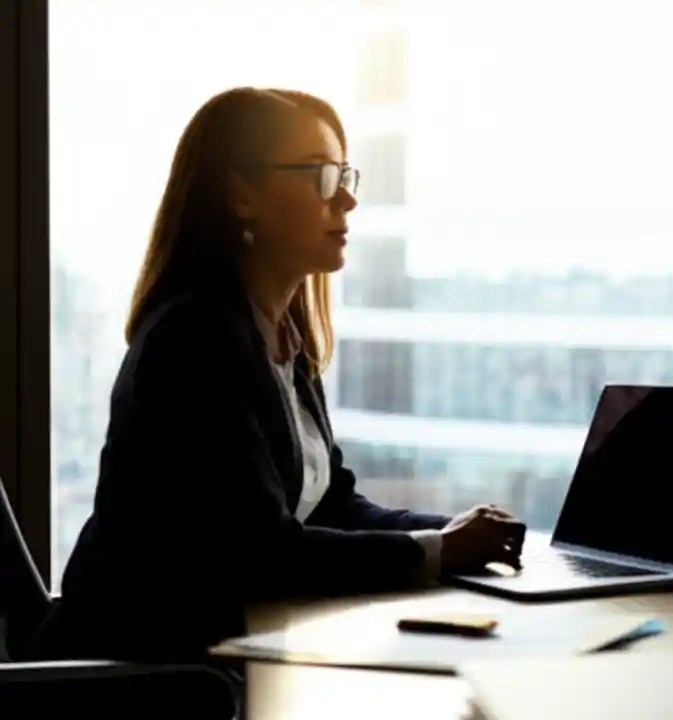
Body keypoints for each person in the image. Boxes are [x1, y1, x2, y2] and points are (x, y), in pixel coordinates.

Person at [28, 87, 525, 663]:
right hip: (134, 677)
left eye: (346, 175)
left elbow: (332, 505)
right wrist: (438, 549)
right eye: (321, 176)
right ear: (242, 195)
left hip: (213, 660)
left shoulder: (283, 338)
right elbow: (264, 554)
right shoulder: (195, 339)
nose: (347, 199)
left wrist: (458, 533)